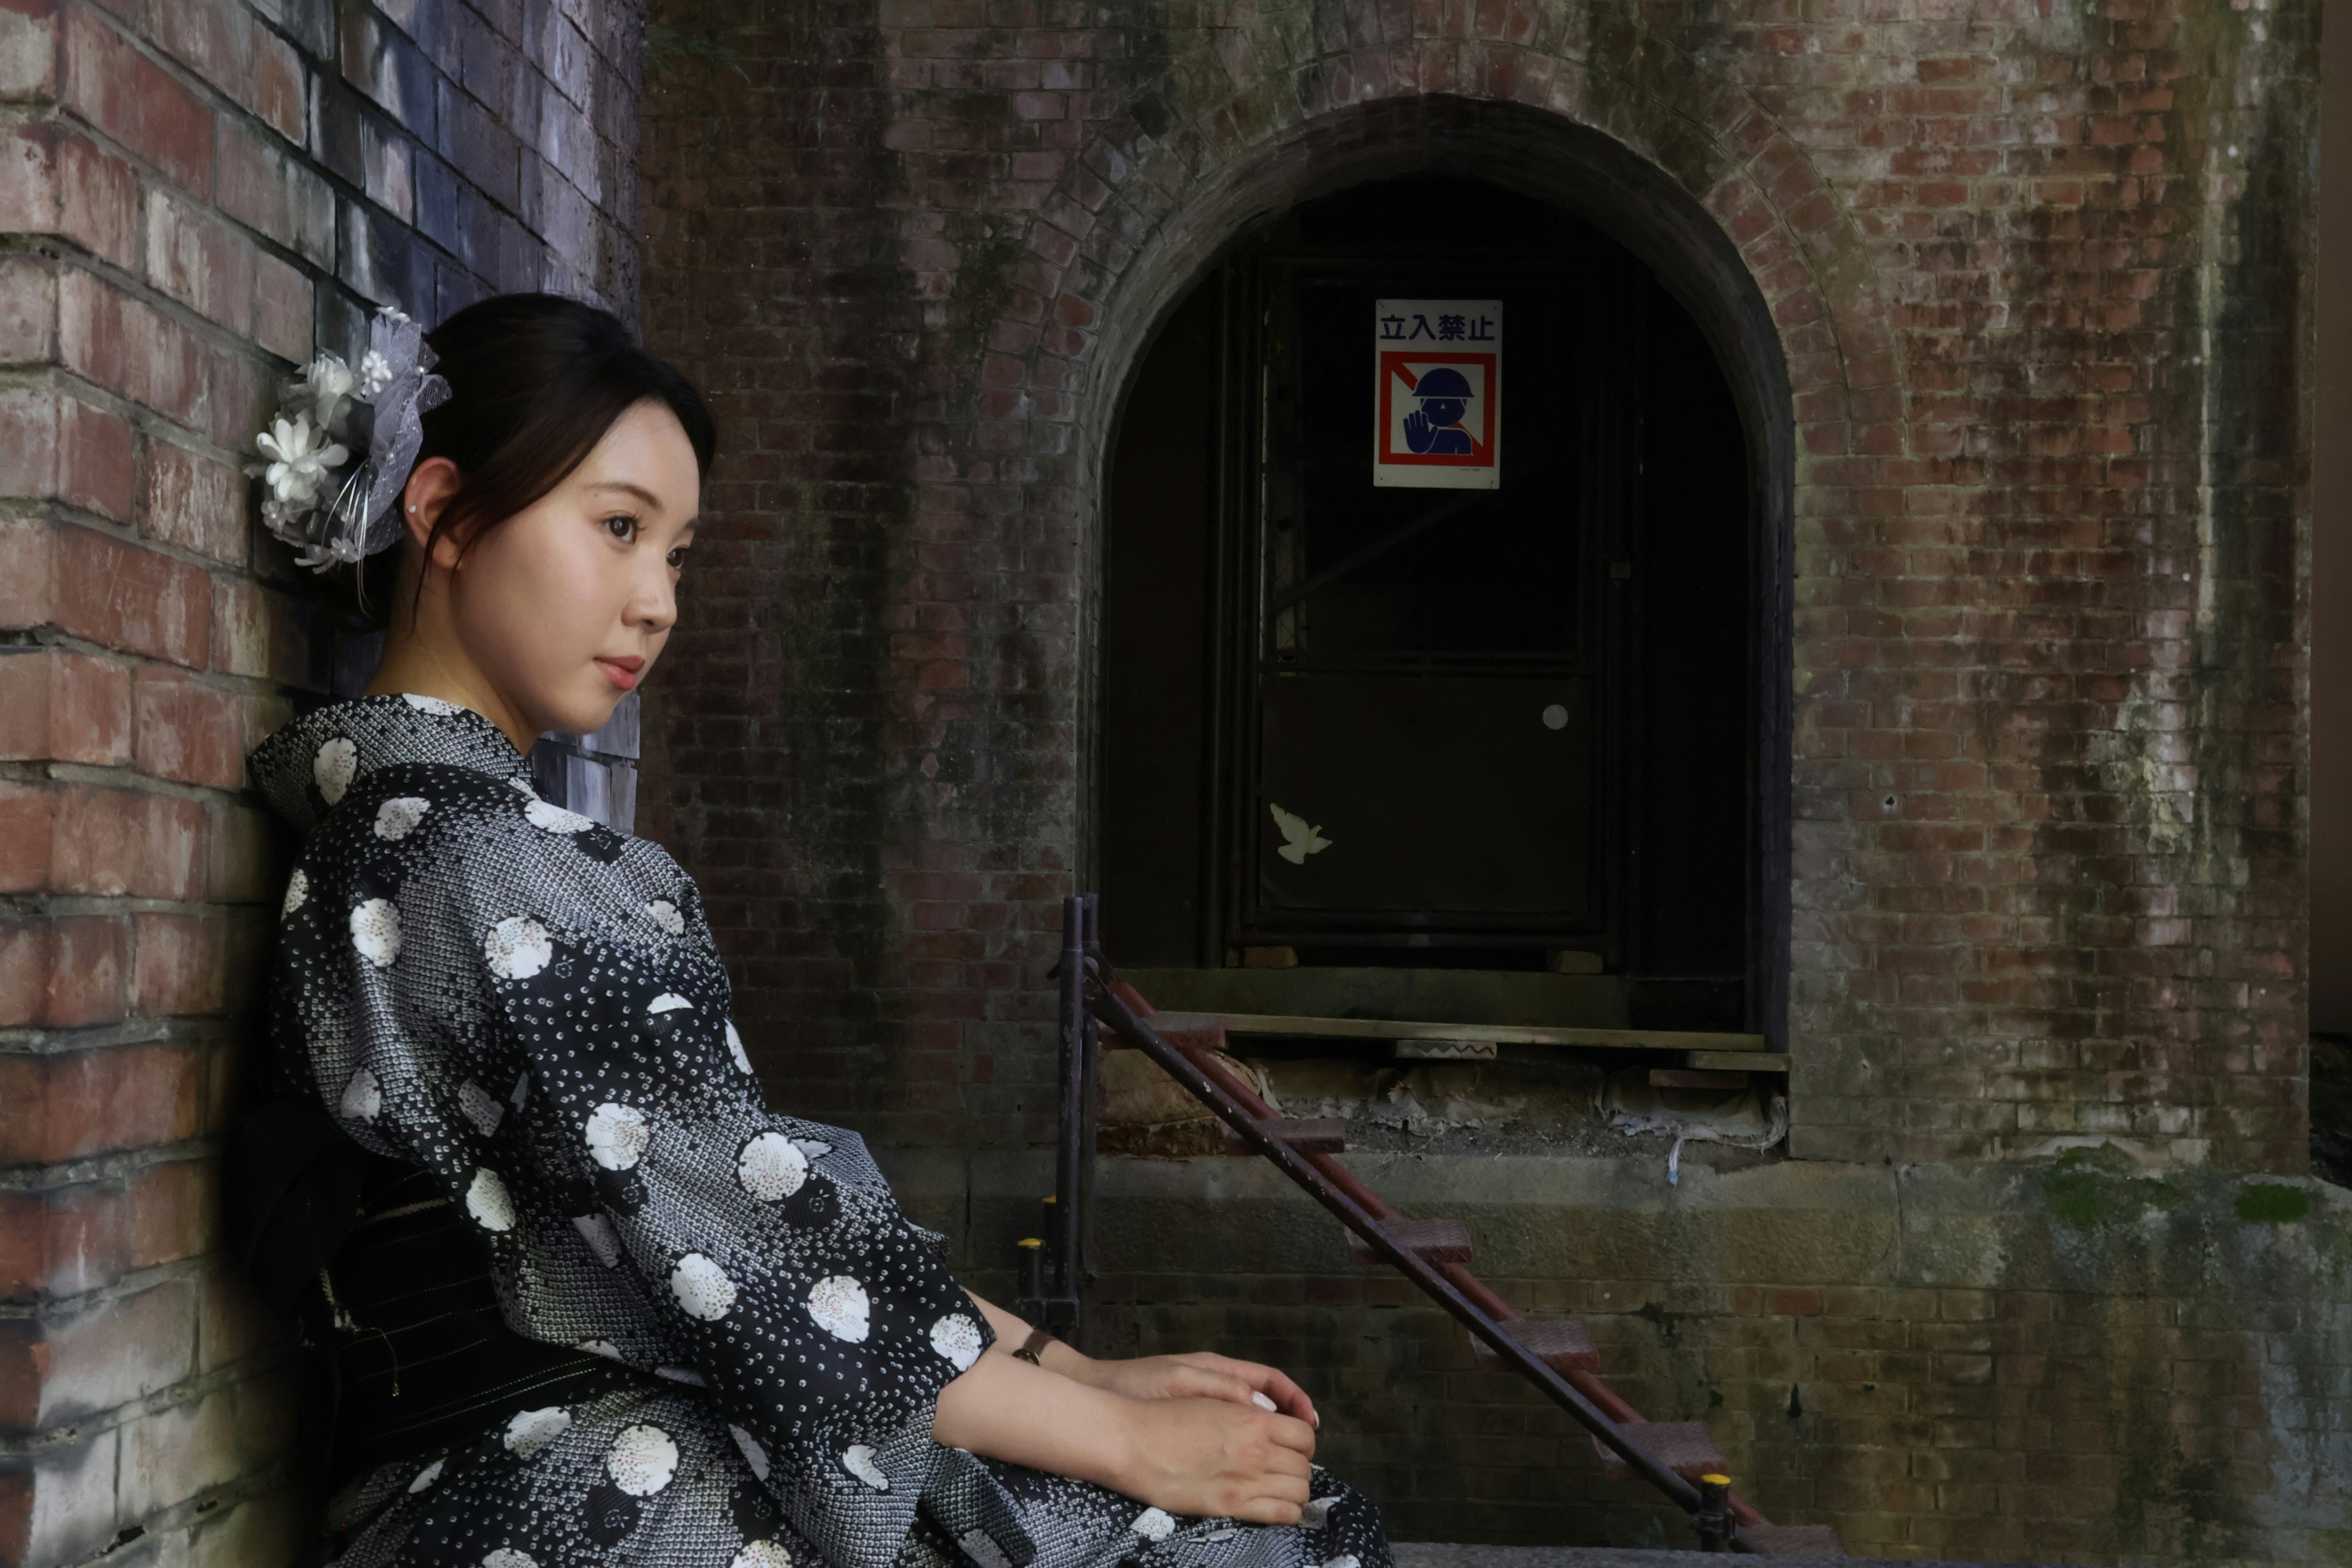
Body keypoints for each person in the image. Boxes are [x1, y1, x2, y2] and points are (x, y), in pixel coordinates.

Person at [244, 294, 1391, 1568]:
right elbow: (756, 1264)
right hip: (558, 1488)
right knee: (1276, 1541)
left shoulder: (410, 830)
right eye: (618, 528)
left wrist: (1088, 1375)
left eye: (676, 554)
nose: (657, 601)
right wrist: (1123, 1438)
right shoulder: (483, 858)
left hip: (499, 1480)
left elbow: (761, 1214)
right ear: (444, 513)